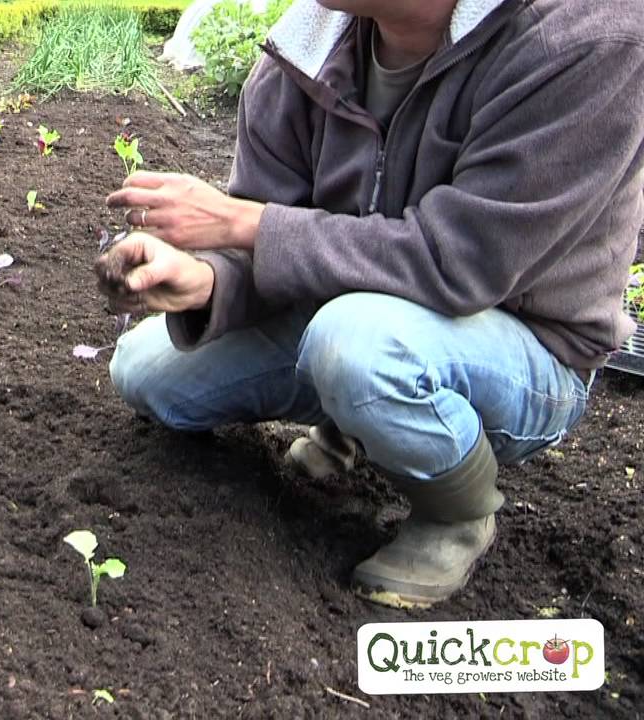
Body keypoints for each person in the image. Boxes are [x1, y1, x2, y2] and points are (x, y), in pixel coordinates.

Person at [98, 0, 644, 608]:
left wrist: (243, 223)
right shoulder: (310, 46)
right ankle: (355, 418)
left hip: (528, 346)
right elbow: (275, 234)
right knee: (147, 372)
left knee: (358, 347)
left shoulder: (586, 38)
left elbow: (461, 263)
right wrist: (207, 279)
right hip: (358, 318)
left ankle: (457, 513)